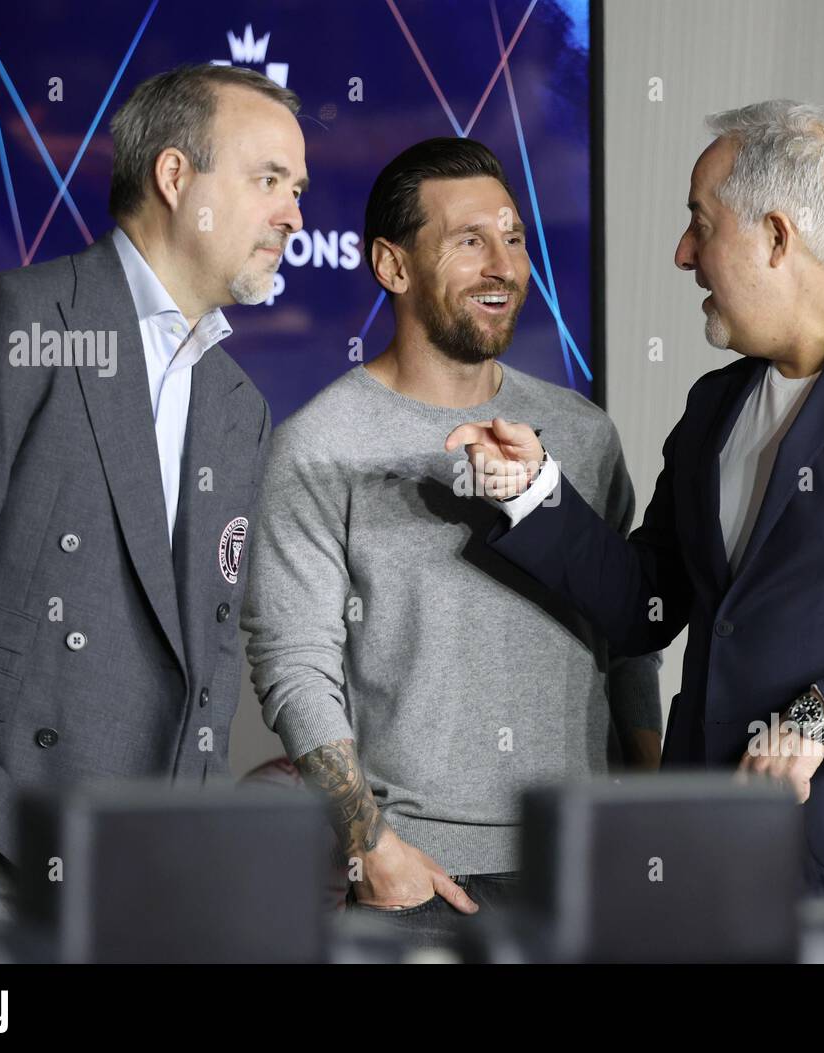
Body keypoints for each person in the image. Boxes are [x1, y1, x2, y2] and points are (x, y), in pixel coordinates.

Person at [445, 101, 824, 929]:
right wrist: (531, 492)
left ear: (775, 236)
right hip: (705, 867)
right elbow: (642, 604)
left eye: (700, 223)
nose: (683, 252)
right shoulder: (715, 404)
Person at [0, 63, 306, 943]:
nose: (293, 214)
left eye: (295, 189)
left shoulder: (241, 408)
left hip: (147, 866)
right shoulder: (15, 320)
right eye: (268, 182)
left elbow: (207, 650)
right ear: (176, 179)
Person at [242, 137, 662, 952]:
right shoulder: (318, 443)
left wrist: (645, 816)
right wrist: (374, 847)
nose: (502, 264)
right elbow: (295, 664)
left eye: (513, 237)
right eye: (469, 241)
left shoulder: (582, 431)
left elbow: (629, 643)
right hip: (422, 878)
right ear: (393, 267)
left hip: (582, 861)